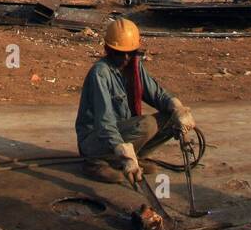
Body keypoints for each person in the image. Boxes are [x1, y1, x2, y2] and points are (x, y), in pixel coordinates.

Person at [75, 18, 197, 185]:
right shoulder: (100, 73)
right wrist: (124, 152)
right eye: (120, 53)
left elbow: (158, 95)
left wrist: (178, 109)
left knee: (170, 118)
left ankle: (136, 156)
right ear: (108, 49)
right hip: (95, 140)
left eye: (130, 52)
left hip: (121, 132)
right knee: (146, 125)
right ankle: (96, 163)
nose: (126, 57)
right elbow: (105, 124)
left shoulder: (134, 67)